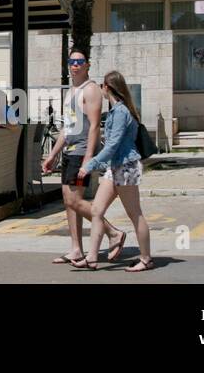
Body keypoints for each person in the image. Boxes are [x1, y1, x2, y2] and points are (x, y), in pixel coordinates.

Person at [41, 50, 128, 266]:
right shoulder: (71, 91)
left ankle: (113, 233)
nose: (75, 65)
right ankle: (76, 249)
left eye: (80, 62)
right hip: (70, 152)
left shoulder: (91, 90)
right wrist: (53, 154)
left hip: (81, 152)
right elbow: (67, 127)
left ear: (87, 65)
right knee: (69, 202)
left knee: (74, 200)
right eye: (72, 61)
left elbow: (95, 126)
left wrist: (89, 157)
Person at [76, 71, 153, 272]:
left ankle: (146, 259)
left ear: (107, 88)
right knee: (96, 210)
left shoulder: (120, 112)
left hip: (126, 166)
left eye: (102, 85)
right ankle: (92, 257)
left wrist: (89, 165)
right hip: (115, 167)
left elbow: (112, 145)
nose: (101, 89)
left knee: (135, 214)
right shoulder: (116, 111)